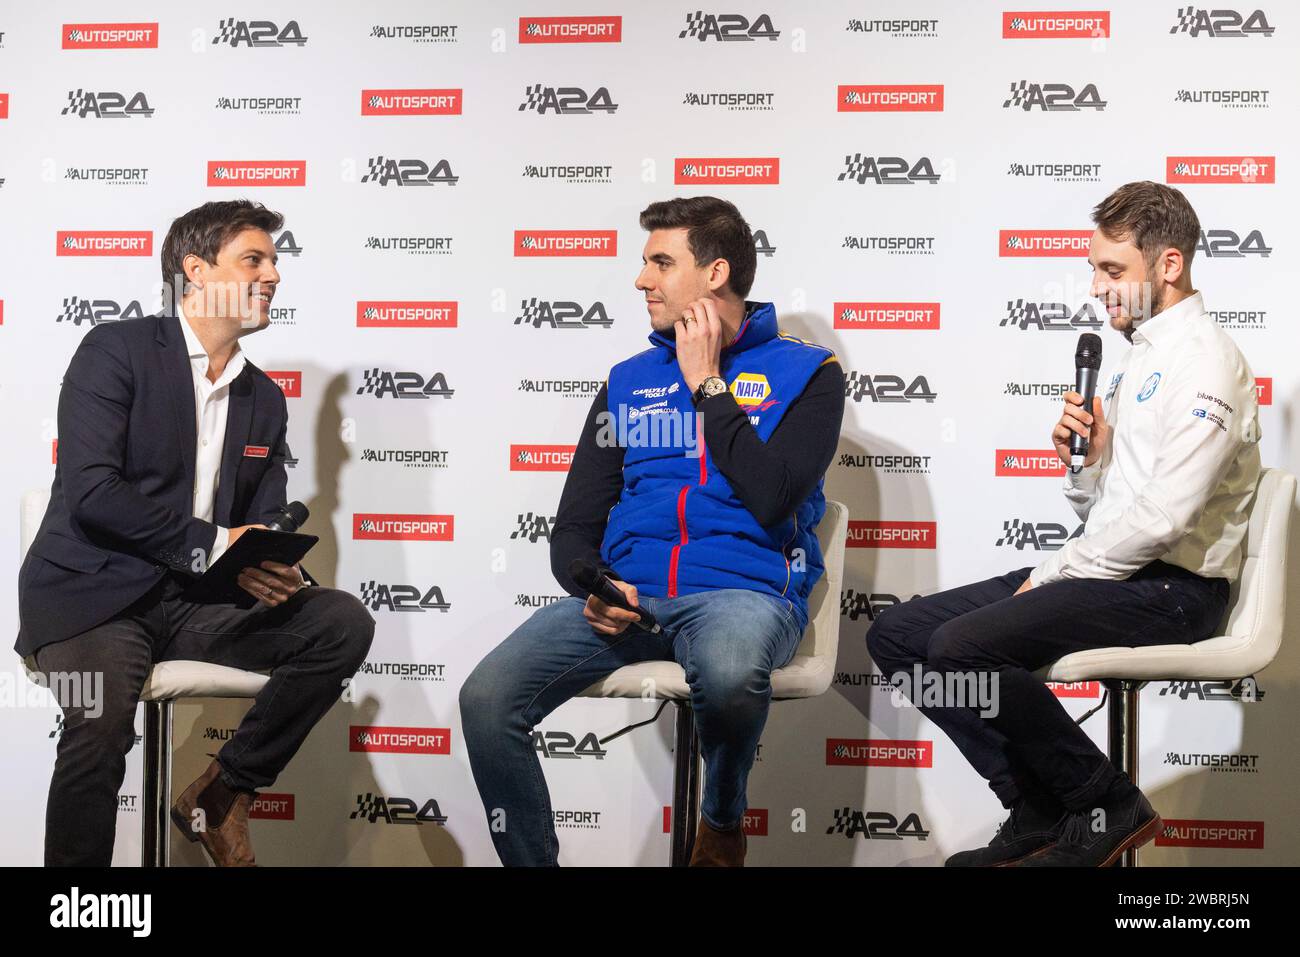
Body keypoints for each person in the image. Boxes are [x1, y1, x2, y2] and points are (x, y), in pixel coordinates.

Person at [867, 181, 1261, 866]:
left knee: (961, 647)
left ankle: (1104, 799)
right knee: (899, 635)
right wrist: (1087, 467)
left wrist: (1050, 572)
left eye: (1112, 270)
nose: (1096, 286)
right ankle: (1036, 804)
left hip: (1177, 590)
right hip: (1119, 572)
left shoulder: (1205, 359)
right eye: (1094, 269)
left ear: (1167, 265)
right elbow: (1116, 513)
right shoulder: (1138, 353)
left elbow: (1165, 520)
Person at [461, 196, 845, 866]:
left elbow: (774, 498)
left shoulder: (808, 373)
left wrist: (708, 388)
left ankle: (722, 820)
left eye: (660, 262)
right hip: (632, 600)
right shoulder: (628, 382)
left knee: (726, 674)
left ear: (716, 272)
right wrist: (596, 583)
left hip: (745, 596)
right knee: (488, 697)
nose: (642, 279)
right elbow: (574, 527)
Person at [17, 200, 375, 866]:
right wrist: (214, 542)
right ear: (195, 270)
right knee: (97, 726)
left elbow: (259, 516)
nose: (273, 273)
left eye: (275, 260)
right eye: (254, 258)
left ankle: (221, 793)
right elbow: (93, 494)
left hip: (191, 600)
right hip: (92, 592)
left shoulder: (263, 398)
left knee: (340, 622)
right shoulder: (115, 350)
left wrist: (269, 558)